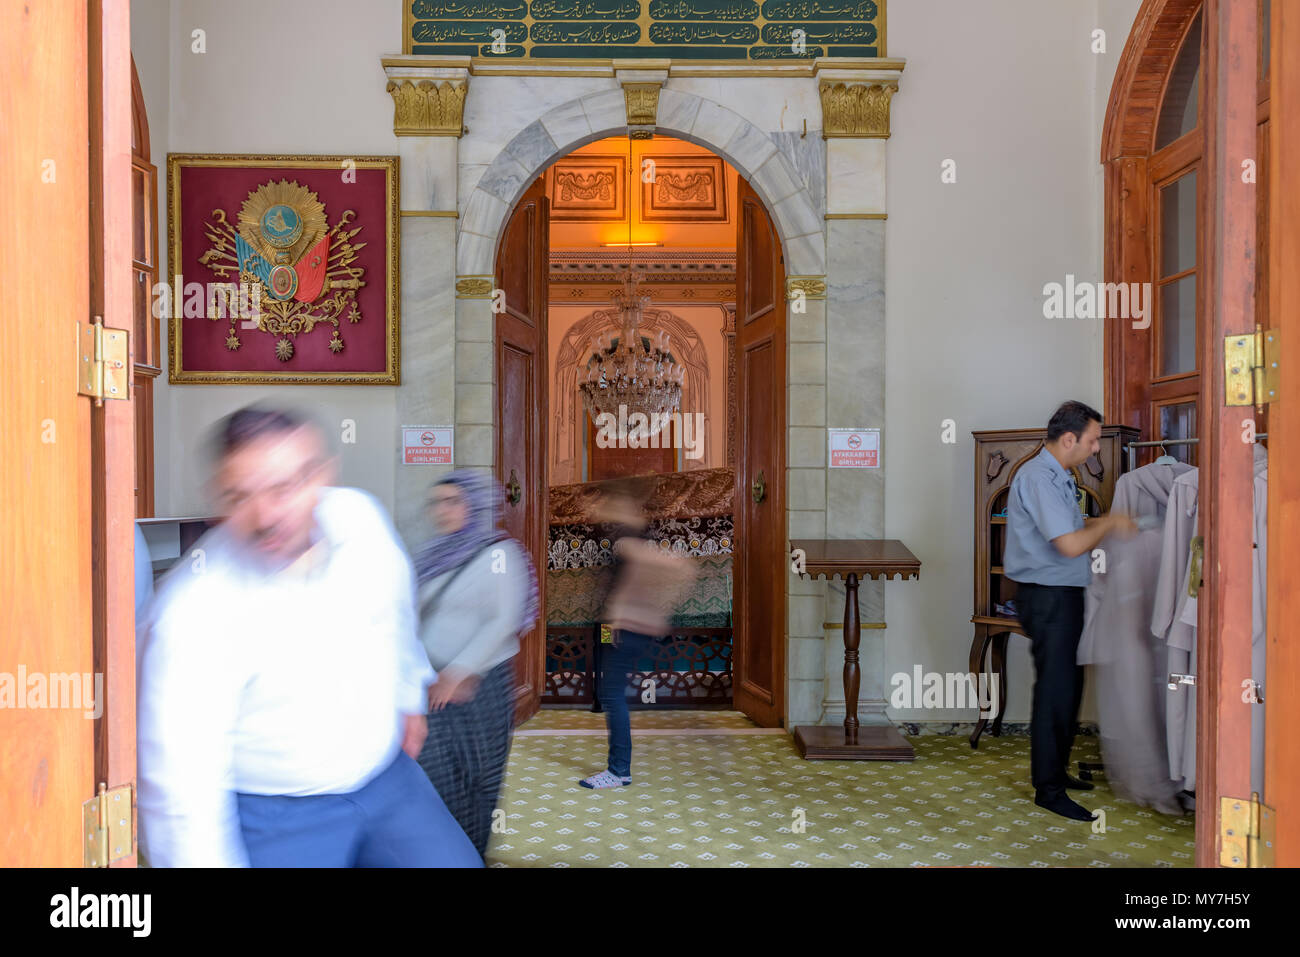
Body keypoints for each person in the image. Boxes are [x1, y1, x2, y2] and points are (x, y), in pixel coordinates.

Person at [137, 406, 480, 867]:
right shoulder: (192, 610)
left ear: (321, 475)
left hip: (387, 781)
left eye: (283, 489)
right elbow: (181, 790)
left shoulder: (360, 517)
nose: (264, 516)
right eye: (240, 496)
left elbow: (393, 611)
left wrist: (407, 694)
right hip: (272, 810)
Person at [1004, 400, 1136, 822]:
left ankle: (1056, 772)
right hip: (1048, 596)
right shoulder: (1040, 478)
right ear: (1069, 439)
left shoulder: (1057, 475)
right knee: (1055, 693)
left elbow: (1077, 529)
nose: (1097, 448)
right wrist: (1113, 524)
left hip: (1062, 593)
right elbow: (1071, 544)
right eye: (1093, 440)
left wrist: (1102, 524)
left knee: (1067, 688)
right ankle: (1049, 789)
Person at [413, 470, 539, 859]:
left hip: (479, 687)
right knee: (435, 778)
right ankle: (445, 857)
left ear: (476, 504)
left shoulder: (499, 554)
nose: (442, 510)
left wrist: (461, 671)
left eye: (453, 501)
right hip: (432, 684)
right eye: (436, 502)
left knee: (477, 780)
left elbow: (503, 620)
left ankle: (470, 855)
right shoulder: (432, 555)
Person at [578, 481, 693, 790]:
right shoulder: (625, 536)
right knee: (607, 691)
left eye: (607, 504)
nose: (600, 509)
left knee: (613, 694)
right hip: (609, 627)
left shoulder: (632, 541)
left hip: (623, 629)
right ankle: (617, 766)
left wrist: (639, 611)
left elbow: (682, 568)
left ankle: (618, 771)